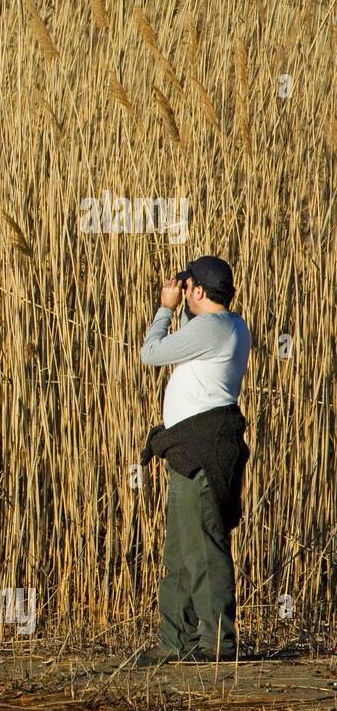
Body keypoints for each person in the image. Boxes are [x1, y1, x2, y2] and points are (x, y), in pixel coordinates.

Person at [137, 256, 251, 666]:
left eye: (189, 286)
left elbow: (151, 353)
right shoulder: (232, 325)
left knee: (203, 547)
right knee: (182, 549)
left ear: (199, 291)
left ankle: (216, 642)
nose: (183, 290)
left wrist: (166, 307)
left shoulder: (209, 328)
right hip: (198, 449)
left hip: (201, 450)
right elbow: (193, 336)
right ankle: (176, 640)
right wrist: (184, 305)